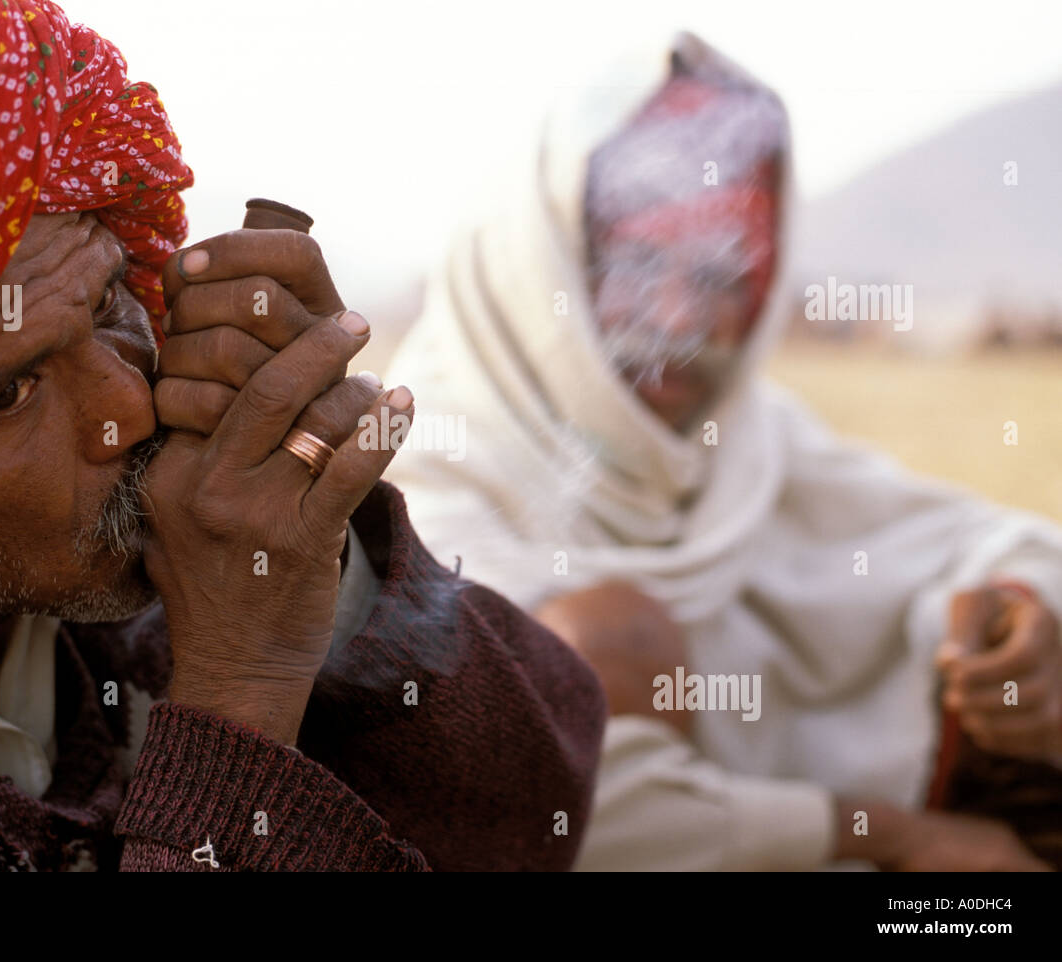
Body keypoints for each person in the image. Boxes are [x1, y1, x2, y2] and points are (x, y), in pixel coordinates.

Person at [0, 0, 606, 871]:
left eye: (107, 304)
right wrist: (244, 684)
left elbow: (535, 817)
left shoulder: (150, 569)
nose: (126, 404)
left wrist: (323, 566)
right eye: (12, 391)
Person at [386, 32, 1062, 871]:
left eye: (717, 278)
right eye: (636, 264)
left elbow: (980, 539)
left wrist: (1018, 619)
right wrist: (894, 836)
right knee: (607, 641)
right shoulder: (421, 474)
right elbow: (537, 798)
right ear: (544, 263)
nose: (678, 323)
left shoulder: (748, 442)